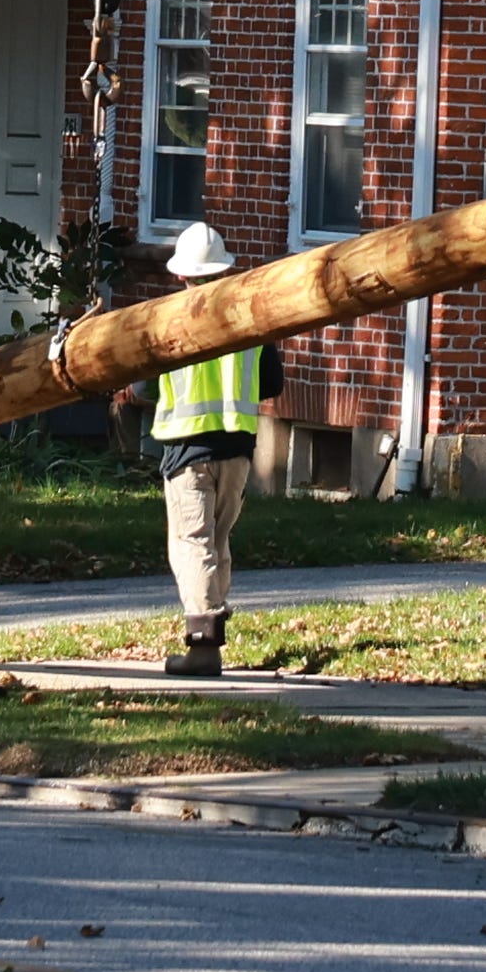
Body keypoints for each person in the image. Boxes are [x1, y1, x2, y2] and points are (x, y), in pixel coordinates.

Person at [138, 223, 278, 679]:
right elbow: (273, 383)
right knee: (216, 542)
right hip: (238, 450)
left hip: (188, 450)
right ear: (224, 271)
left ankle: (203, 645)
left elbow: (142, 384)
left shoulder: (166, 319)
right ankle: (213, 624)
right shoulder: (250, 316)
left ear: (181, 275)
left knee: (191, 544)